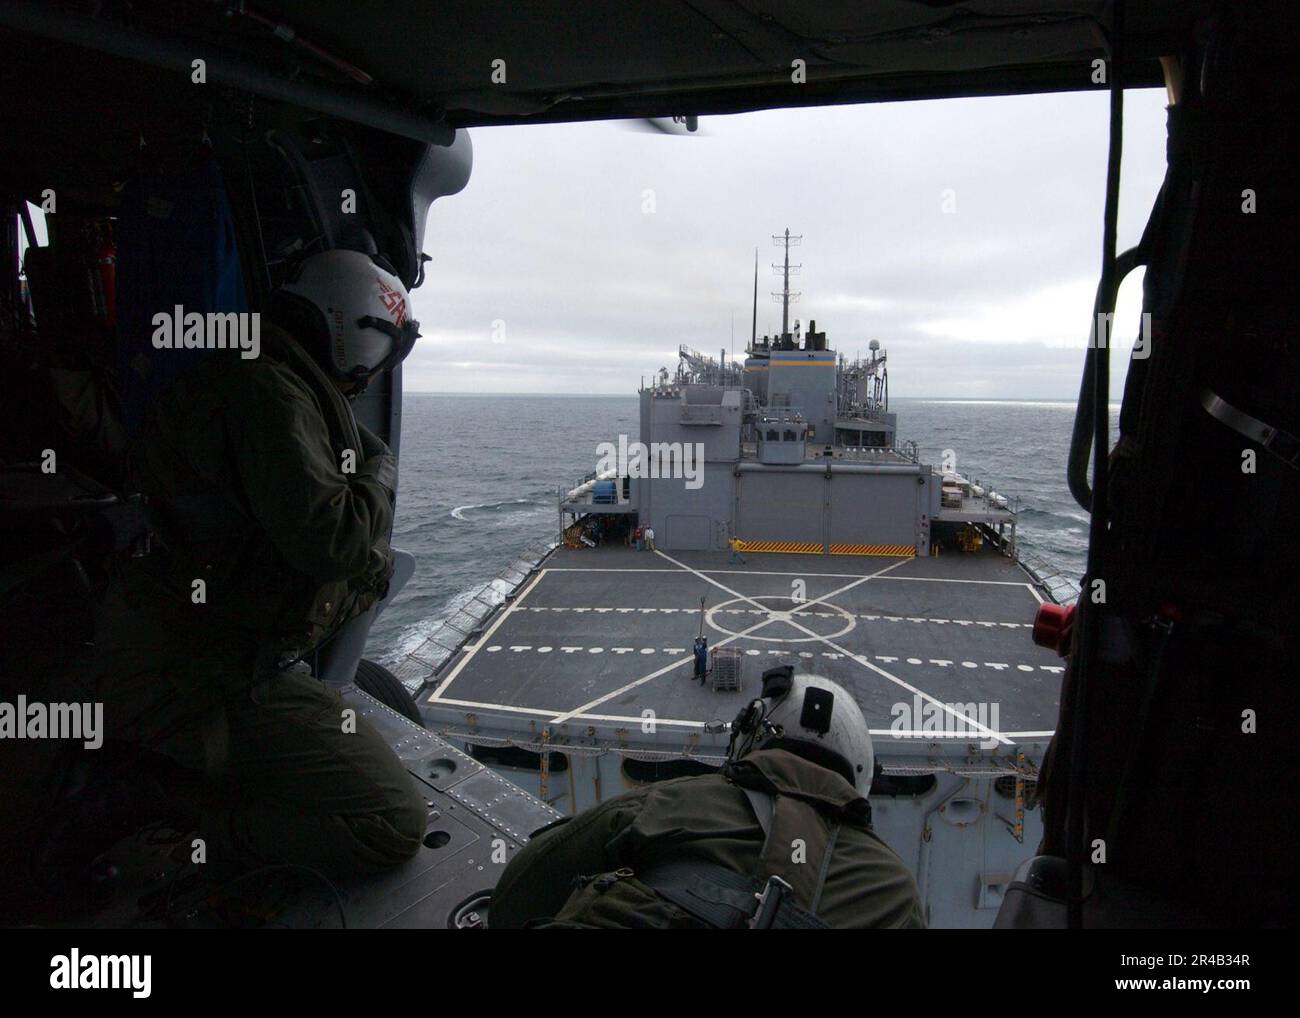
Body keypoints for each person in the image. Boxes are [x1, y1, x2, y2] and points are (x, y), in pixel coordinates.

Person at [55, 250, 427, 889]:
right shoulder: (269, 391)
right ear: (357, 328)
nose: (373, 375)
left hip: (197, 640)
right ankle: (170, 803)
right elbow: (332, 541)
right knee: (391, 822)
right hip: (206, 666)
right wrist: (382, 469)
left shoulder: (261, 374)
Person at [489, 666, 924, 928]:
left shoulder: (664, 805)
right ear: (860, 772)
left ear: (750, 737)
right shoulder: (897, 891)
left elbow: (518, 892)